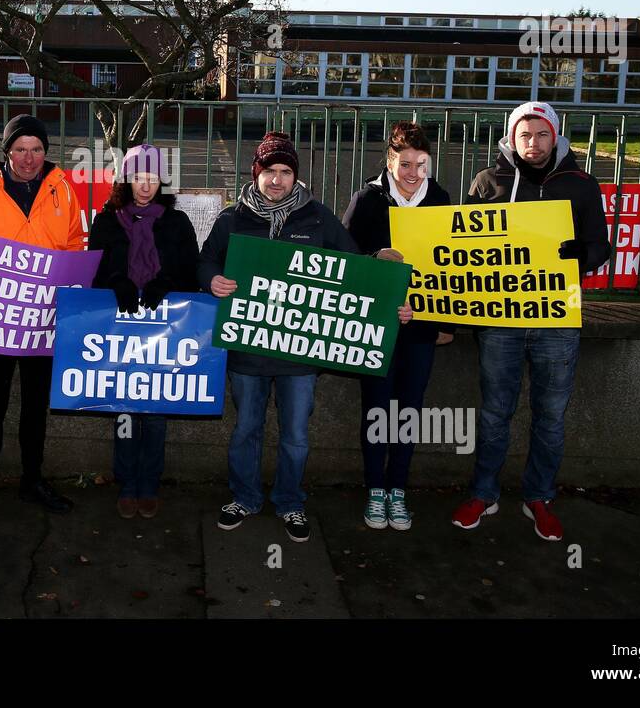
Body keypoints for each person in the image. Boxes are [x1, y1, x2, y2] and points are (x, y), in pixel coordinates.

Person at [200, 131, 412, 543]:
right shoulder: (232, 217)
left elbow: (355, 272)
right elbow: (206, 259)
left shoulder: (318, 217)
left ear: (295, 176)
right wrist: (212, 280)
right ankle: (244, 496)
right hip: (247, 349)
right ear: (255, 173)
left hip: (301, 352)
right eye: (269, 172)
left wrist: (389, 295)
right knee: (246, 428)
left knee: (296, 434)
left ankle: (290, 501)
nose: (277, 180)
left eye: (285, 172)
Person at [451, 100, 611, 542]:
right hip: (501, 318)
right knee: (495, 412)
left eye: (542, 134)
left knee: (551, 415)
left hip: (557, 317)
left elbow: (601, 245)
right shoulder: (488, 181)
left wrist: (582, 255)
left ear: (555, 135)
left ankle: (539, 496)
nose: (534, 143)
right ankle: (483, 493)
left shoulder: (580, 183)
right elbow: (460, 246)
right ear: (511, 137)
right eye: (525, 134)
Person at [0, 114, 86, 530]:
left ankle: (32, 479)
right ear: (7, 152)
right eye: (20, 150)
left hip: (43, 318)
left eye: (37, 149)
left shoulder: (64, 189)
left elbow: (77, 245)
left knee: (34, 407)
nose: (29, 159)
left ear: (47, 152)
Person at [343, 120, 455, 532]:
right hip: (376, 327)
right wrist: (375, 260)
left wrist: (445, 323)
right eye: (404, 163)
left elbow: (453, 265)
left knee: (409, 411)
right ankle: (375, 489)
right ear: (390, 161)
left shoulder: (440, 199)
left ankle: (397, 490)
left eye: (420, 164)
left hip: (422, 328)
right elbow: (345, 260)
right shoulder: (367, 200)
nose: (412, 172)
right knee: (376, 409)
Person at [88, 143, 200, 519]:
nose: (146, 186)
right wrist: (117, 280)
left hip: (162, 331)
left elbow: (190, 269)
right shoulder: (106, 220)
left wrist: (164, 282)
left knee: (154, 410)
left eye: (153, 178)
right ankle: (126, 481)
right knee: (123, 409)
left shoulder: (176, 221)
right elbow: (95, 266)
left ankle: (149, 481)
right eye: (139, 177)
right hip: (117, 328)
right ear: (127, 178)